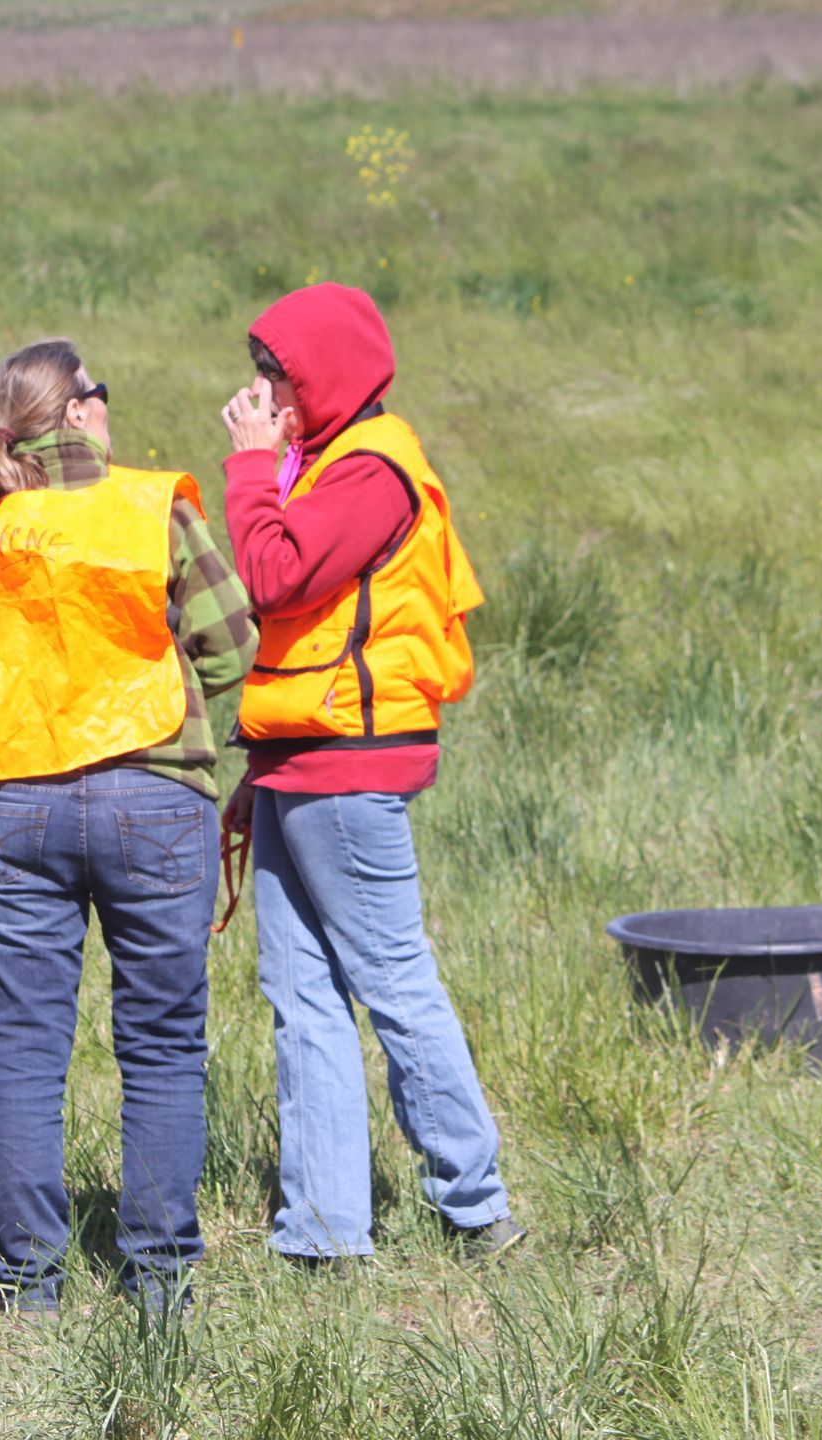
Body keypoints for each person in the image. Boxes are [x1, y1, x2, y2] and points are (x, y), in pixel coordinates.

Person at [0, 339, 257, 1314]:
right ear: (79, 411)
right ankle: (158, 1279)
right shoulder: (147, 505)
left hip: (14, 809)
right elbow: (235, 643)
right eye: (101, 392)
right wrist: (172, 700)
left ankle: (25, 1284)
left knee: (23, 1048)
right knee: (162, 1042)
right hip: (156, 799)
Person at [216, 283, 525, 1264]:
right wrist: (261, 771)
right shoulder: (326, 462)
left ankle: (476, 1206)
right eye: (264, 377)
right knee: (299, 992)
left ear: (328, 378)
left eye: (281, 378)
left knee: (392, 981)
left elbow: (274, 578)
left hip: (346, 766)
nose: (267, 395)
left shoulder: (372, 471)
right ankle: (323, 1231)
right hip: (299, 764)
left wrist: (247, 469)